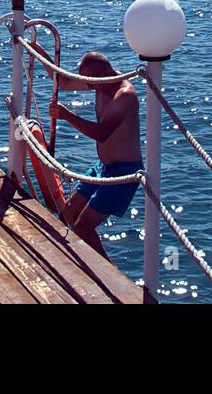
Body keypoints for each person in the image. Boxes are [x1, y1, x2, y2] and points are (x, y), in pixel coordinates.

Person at [48, 51, 142, 258]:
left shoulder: (125, 95)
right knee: (69, 214)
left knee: (83, 226)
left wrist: (67, 115)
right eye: (88, 83)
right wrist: (34, 48)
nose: (89, 87)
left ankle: (107, 275)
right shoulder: (98, 82)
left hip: (124, 171)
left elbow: (103, 133)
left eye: (92, 83)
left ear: (106, 73)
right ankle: (94, 264)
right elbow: (64, 82)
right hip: (103, 166)